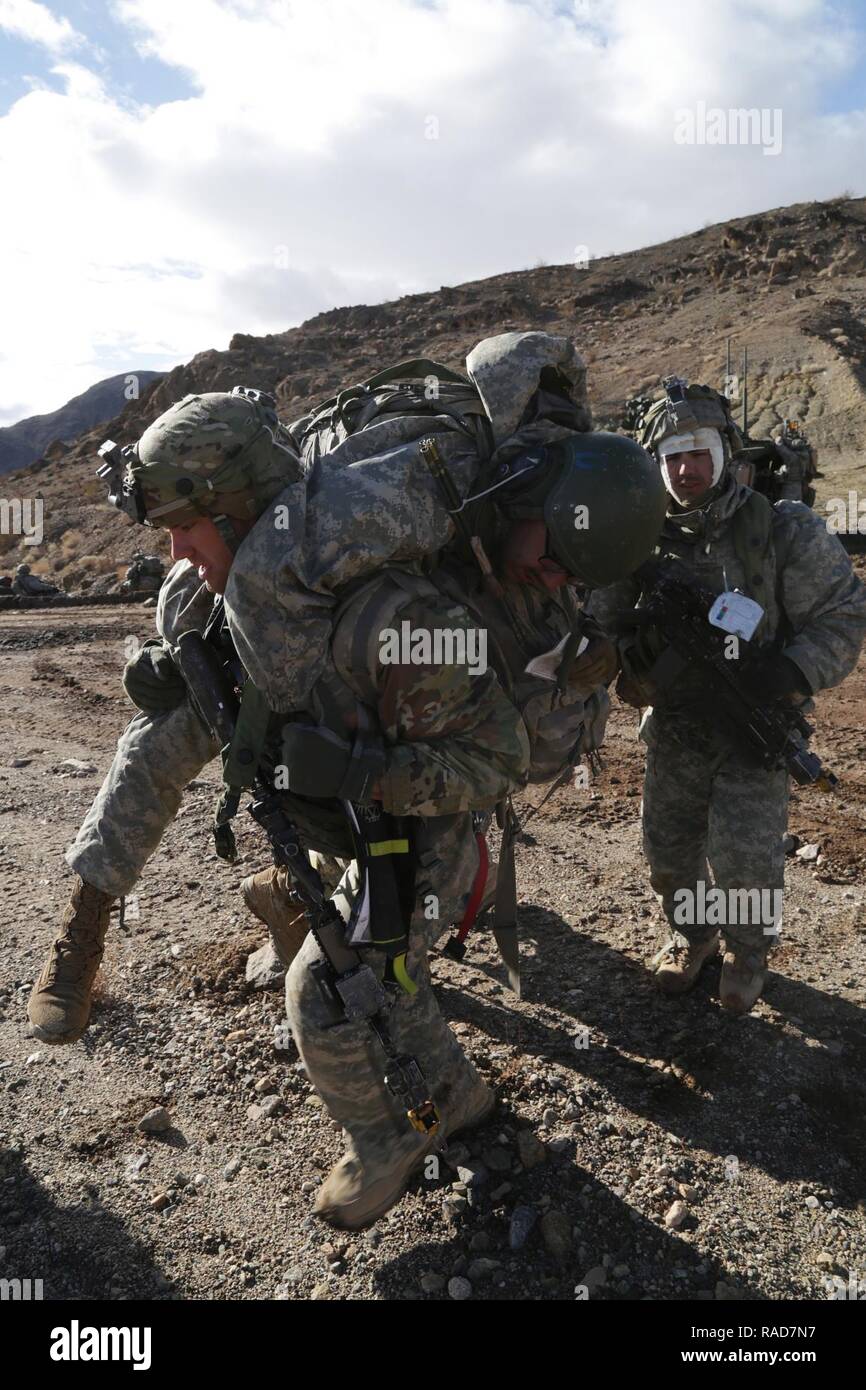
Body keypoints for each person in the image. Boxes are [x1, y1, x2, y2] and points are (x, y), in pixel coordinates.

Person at [30, 333, 666, 1228]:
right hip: (358, 767)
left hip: (427, 794)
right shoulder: (251, 580)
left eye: (187, 529)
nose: (174, 550)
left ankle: (392, 1136)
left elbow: (492, 758)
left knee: (333, 991)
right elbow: (185, 638)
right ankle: (89, 928)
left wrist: (373, 773)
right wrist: (173, 658)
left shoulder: (390, 612)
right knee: (167, 735)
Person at [588, 379, 866, 1013]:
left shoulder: (779, 526)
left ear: (726, 452)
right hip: (677, 727)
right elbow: (599, 622)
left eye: (699, 451)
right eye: (673, 456)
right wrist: (616, 666)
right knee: (669, 852)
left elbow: (844, 612)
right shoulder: (636, 537)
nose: (687, 468)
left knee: (746, 861)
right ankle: (694, 938)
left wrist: (790, 673)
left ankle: (747, 953)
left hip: (753, 727)